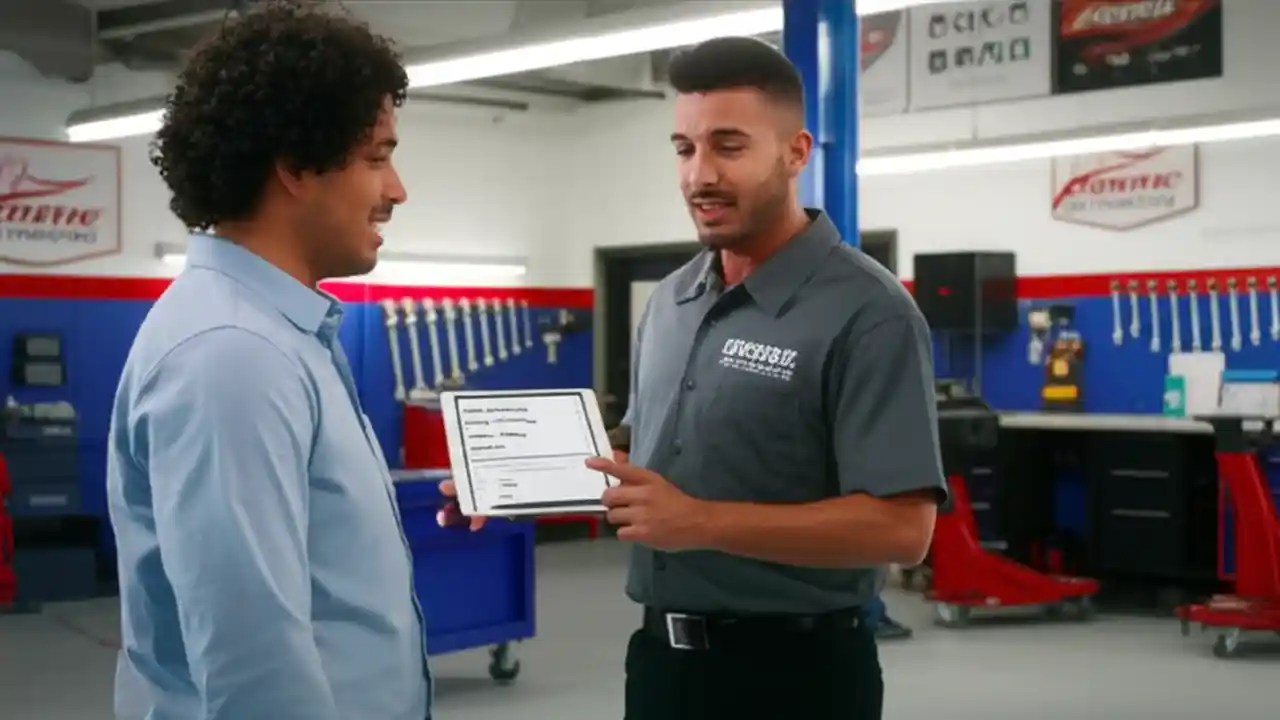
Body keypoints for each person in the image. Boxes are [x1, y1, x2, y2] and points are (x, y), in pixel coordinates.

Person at [443, 36, 946, 719]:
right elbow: (648, 447)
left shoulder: (870, 313)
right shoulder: (673, 301)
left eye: (728, 146)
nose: (698, 175)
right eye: (684, 148)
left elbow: (900, 528)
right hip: (660, 665)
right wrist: (515, 476)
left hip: (797, 678)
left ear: (796, 153)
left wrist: (702, 522)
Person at [106, 4, 432, 719]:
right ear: (294, 166)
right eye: (376, 157)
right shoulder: (234, 357)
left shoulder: (281, 334)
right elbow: (253, 668)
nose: (396, 189)